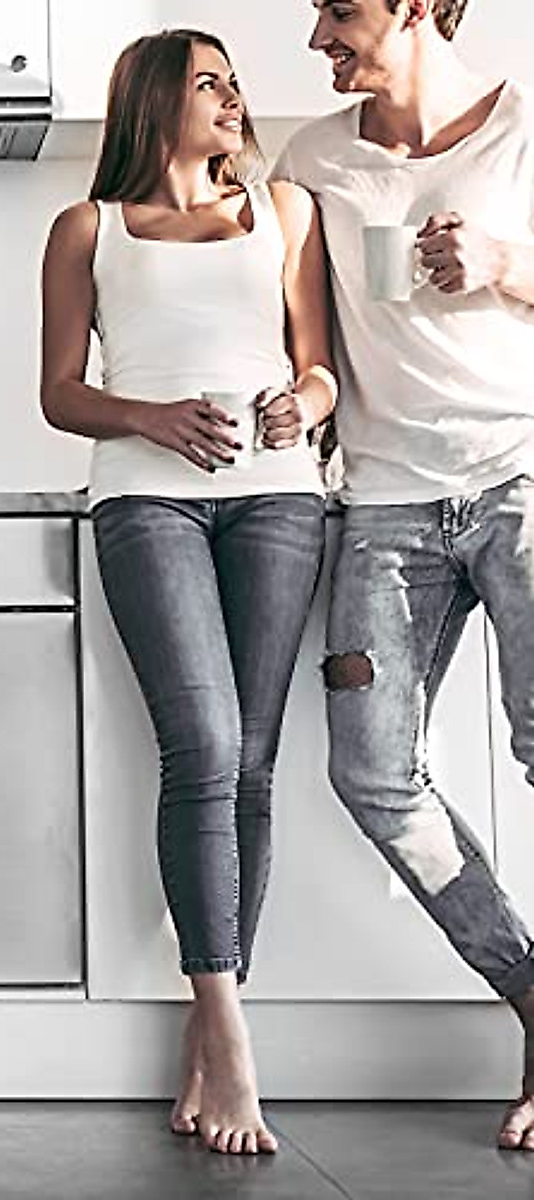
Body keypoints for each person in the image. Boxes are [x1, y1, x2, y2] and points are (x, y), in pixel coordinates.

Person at [40, 29, 337, 1155]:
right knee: (203, 748)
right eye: (209, 81)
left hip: (279, 500)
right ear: (155, 98)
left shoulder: (284, 213)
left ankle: (206, 1028)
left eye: (233, 82)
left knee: (250, 764)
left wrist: (303, 404)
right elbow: (61, 392)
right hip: (145, 500)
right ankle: (235, 1042)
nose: (233, 97)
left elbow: (318, 365)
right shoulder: (90, 229)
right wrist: (150, 417)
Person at [273, 0, 534, 1152]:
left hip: (523, 478)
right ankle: (530, 989)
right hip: (383, 505)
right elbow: (300, 329)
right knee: (373, 772)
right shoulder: (315, 159)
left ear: (420, 5)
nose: (318, 39)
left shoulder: (524, 131)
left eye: (340, 10)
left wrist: (506, 264)